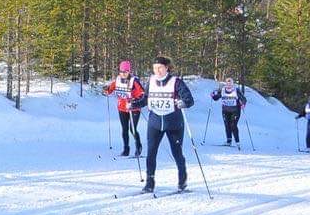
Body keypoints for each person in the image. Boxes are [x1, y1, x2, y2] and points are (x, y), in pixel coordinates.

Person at [131, 55, 195, 193]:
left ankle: (182, 181)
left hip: (173, 123)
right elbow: (146, 99)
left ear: (166, 68)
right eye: (155, 68)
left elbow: (189, 100)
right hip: (154, 123)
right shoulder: (151, 81)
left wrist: (183, 102)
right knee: (151, 153)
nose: (157, 70)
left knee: (177, 153)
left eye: (160, 67)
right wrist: (134, 104)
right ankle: (149, 183)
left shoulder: (176, 82)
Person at [102, 60, 144, 157]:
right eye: (121, 72)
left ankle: (138, 147)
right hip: (122, 108)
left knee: (132, 129)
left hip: (134, 108)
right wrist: (106, 90)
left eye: (125, 72)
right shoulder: (117, 80)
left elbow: (142, 94)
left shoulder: (134, 81)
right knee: (124, 129)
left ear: (129, 71)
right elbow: (110, 90)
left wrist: (134, 100)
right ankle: (126, 149)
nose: (123, 74)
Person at [209, 77, 247, 146]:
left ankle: (237, 141)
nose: (229, 85)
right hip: (225, 111)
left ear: (232, 84)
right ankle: (228, 141)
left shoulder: (236, 90)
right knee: (227, 125)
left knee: (233, 125)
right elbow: (216, 98)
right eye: (227, 83)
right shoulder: (223, 90)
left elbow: (243, 99)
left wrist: (243, 104)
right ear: (226, 84)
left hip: (235, 110)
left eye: (230, 83)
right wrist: (213, 96)